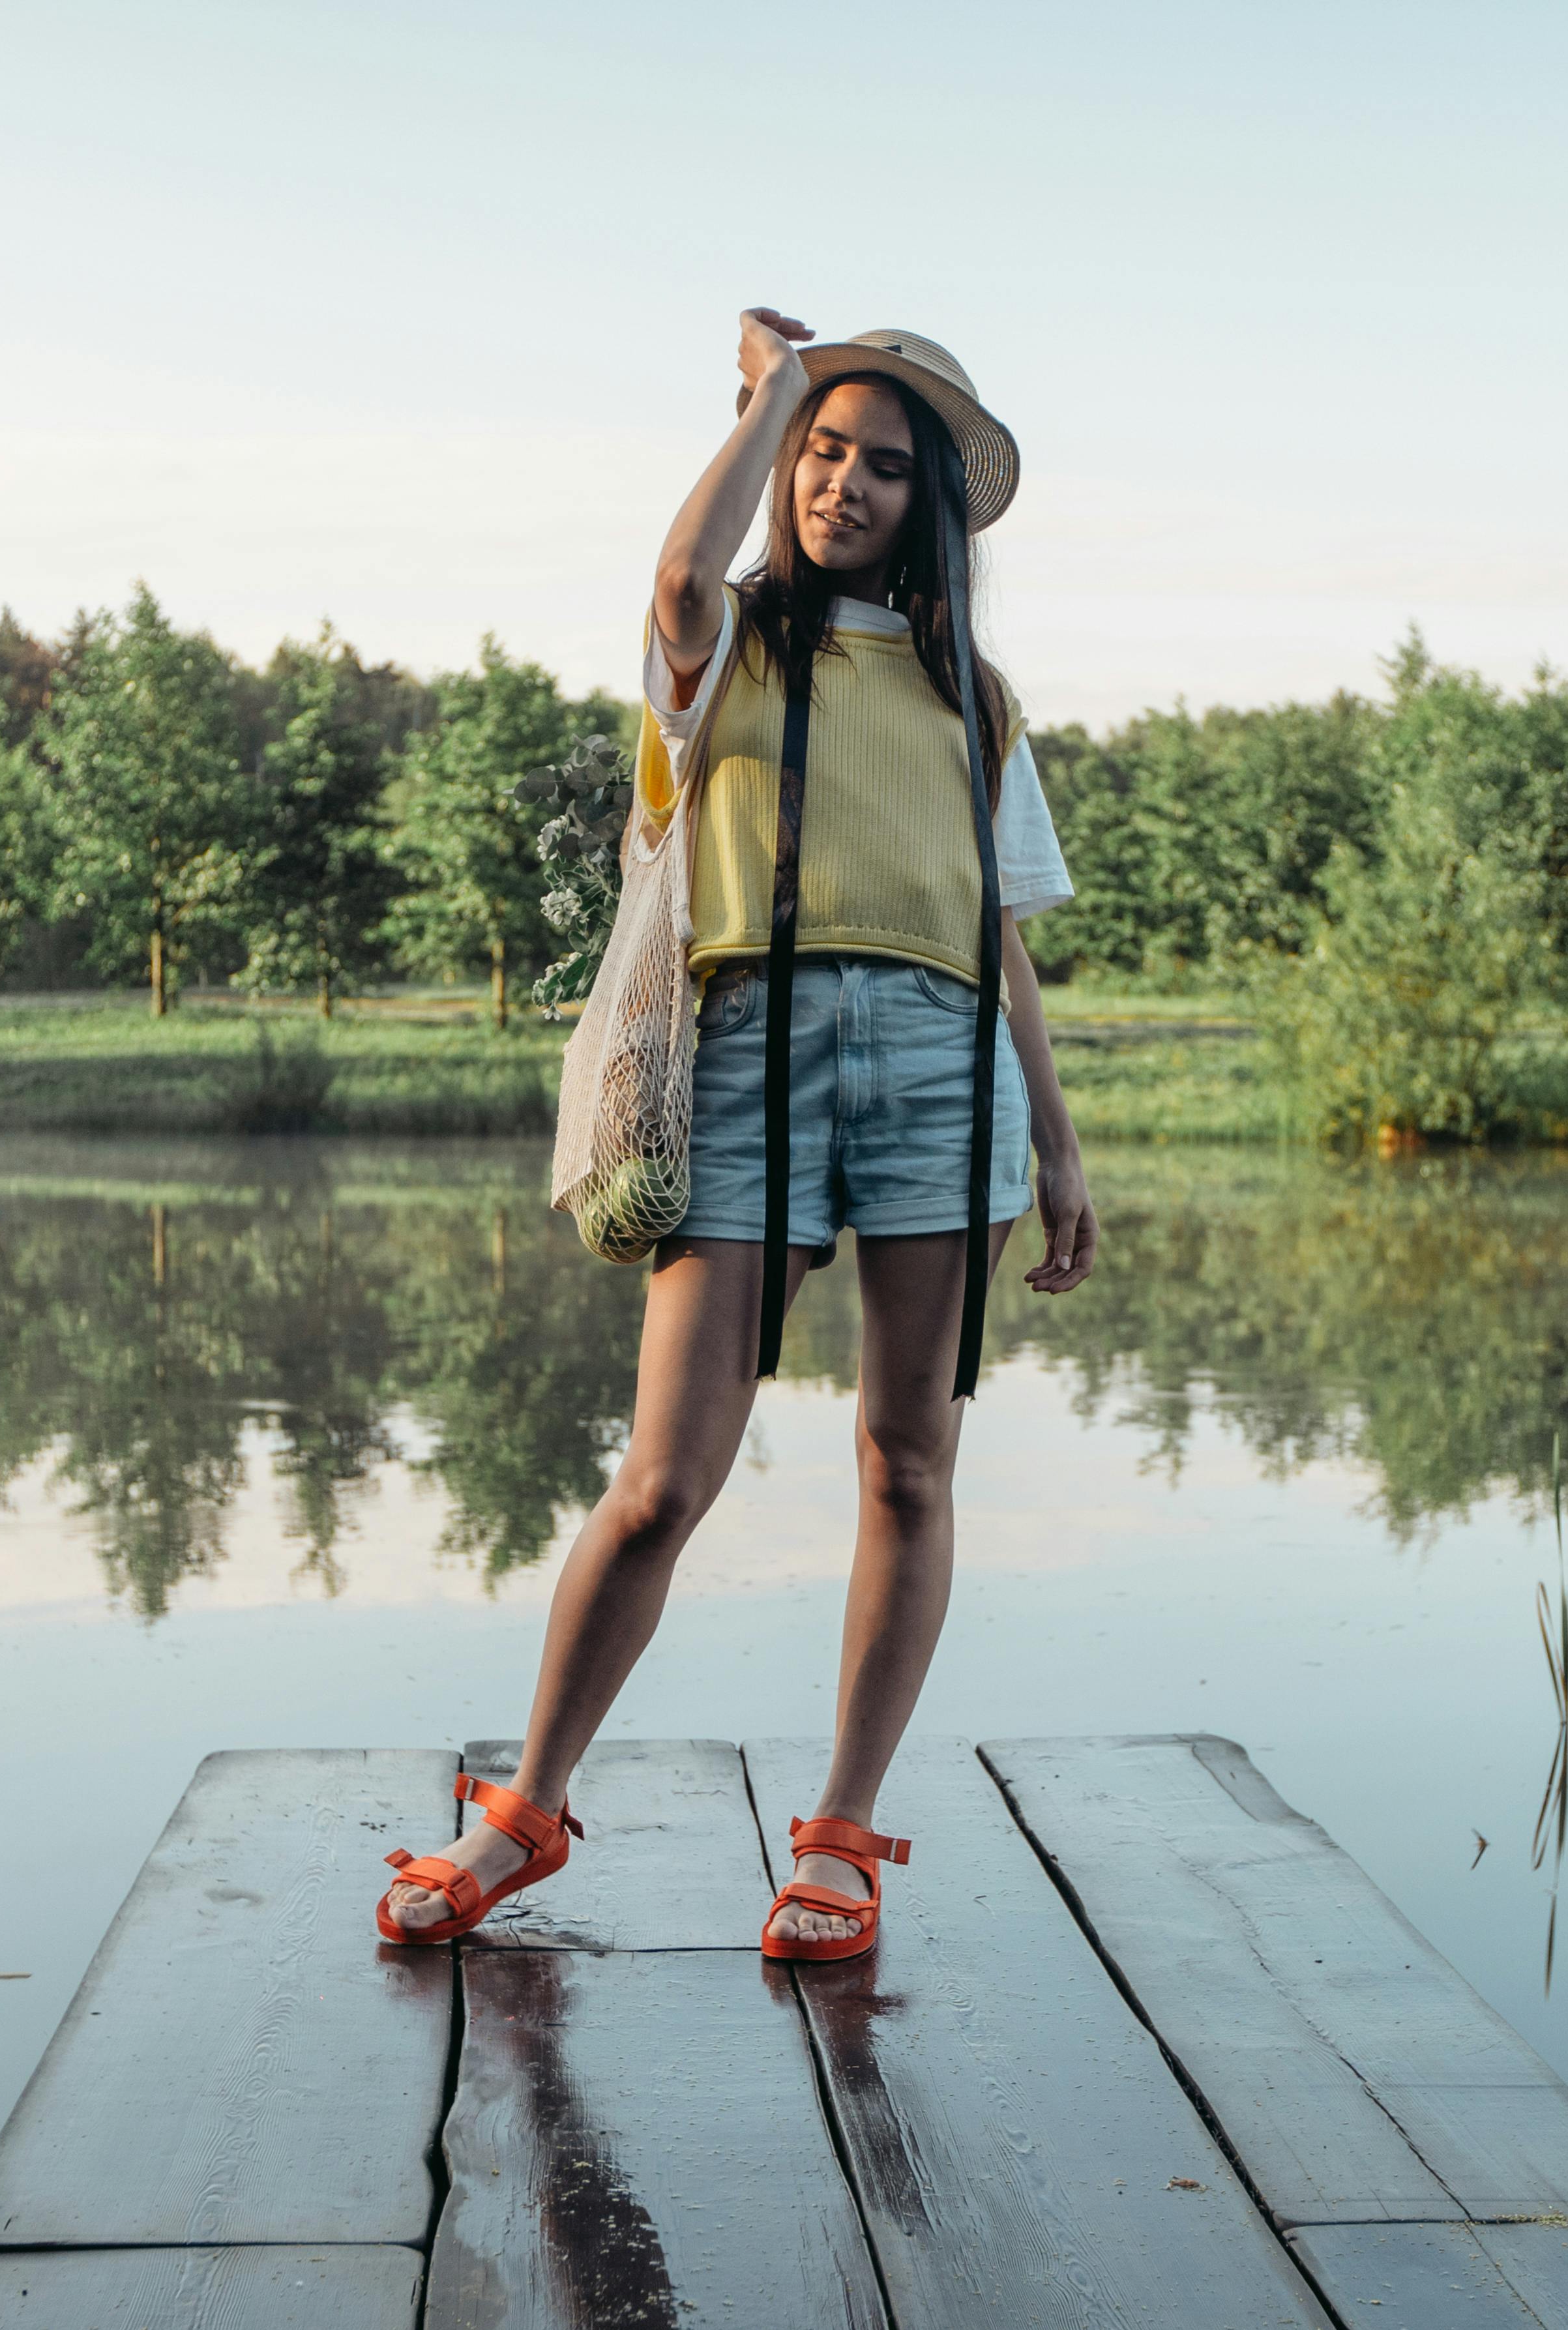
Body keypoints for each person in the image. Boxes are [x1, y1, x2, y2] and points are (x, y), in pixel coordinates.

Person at [377, 310, 1099, 1962]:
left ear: (927, 503)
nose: (846, 484)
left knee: (906, 1463)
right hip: (747, 1055)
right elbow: (677, 576)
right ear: (785, 464)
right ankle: (525, 1812)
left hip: (943, 1072)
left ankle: (838, 1838)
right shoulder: (725, 646)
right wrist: (773, 392)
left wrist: (1056, 1142)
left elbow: (995, 931)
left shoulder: (974, 698)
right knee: (661, 1480)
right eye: (822, 452)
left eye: (883, 465)